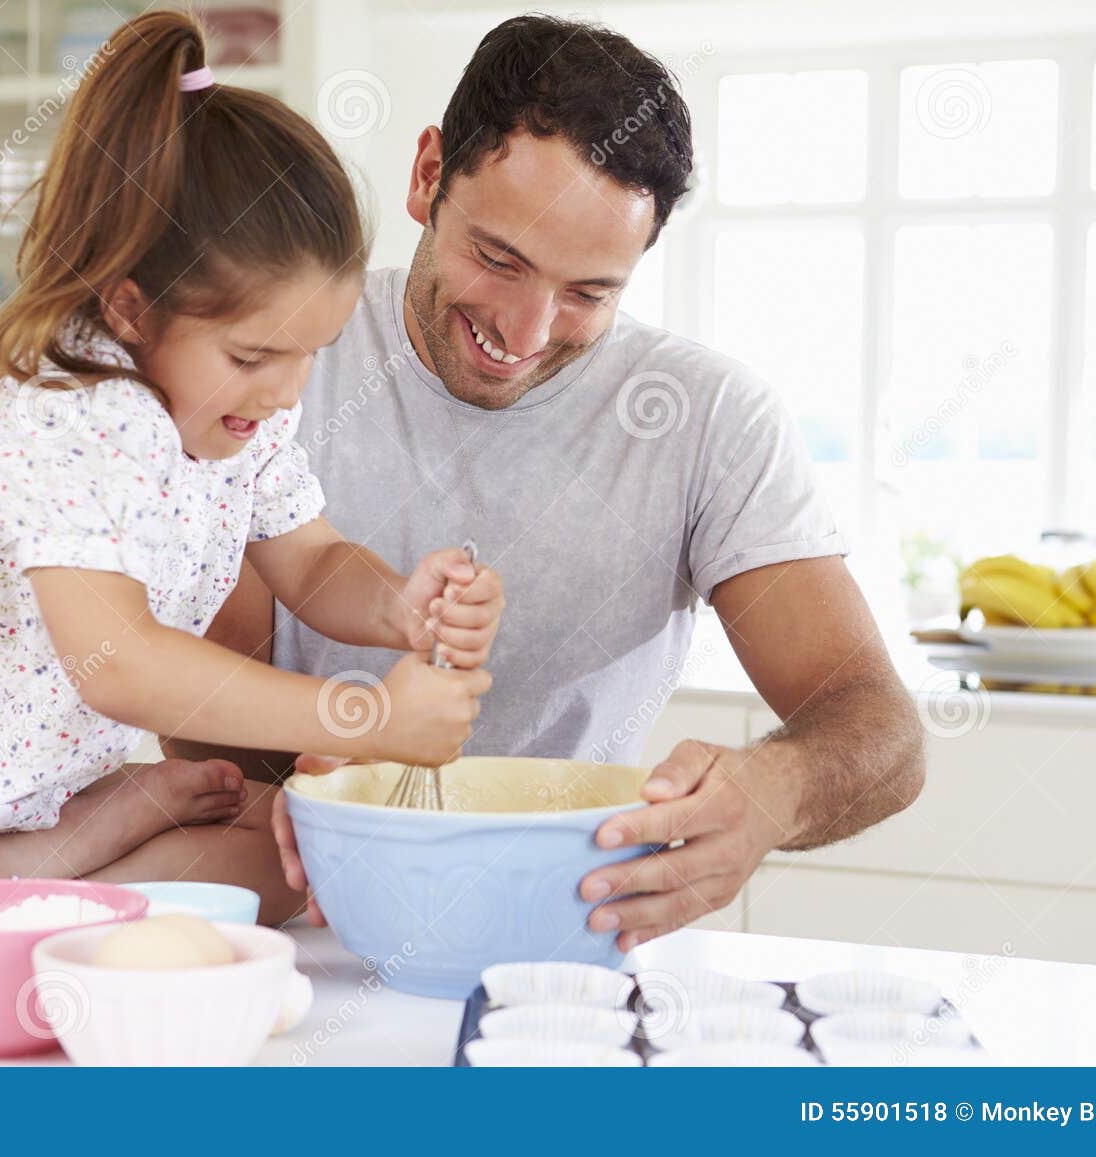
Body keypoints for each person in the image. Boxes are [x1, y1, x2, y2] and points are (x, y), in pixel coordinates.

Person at [0, 11, 501, 996]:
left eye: (311, 354)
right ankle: (44, 862)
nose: (287, 390)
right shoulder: (63, 407)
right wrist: (363, 712)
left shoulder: (241, 420)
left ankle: (5, 884)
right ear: (130, 308)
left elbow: (314, 560)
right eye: (255, 356)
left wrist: (397, 604)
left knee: (285, 855)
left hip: (23, 795)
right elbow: (119, 663)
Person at [167, 14, 926, 953]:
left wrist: (777, 793)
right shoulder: (281, 350)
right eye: (499, 259)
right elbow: (178, 671)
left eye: (587, 293)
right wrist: (321, 789)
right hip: (301, 915)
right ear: (426, 176)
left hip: (569, 937)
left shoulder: (711, 421)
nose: (525, 333)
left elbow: (880, 725)